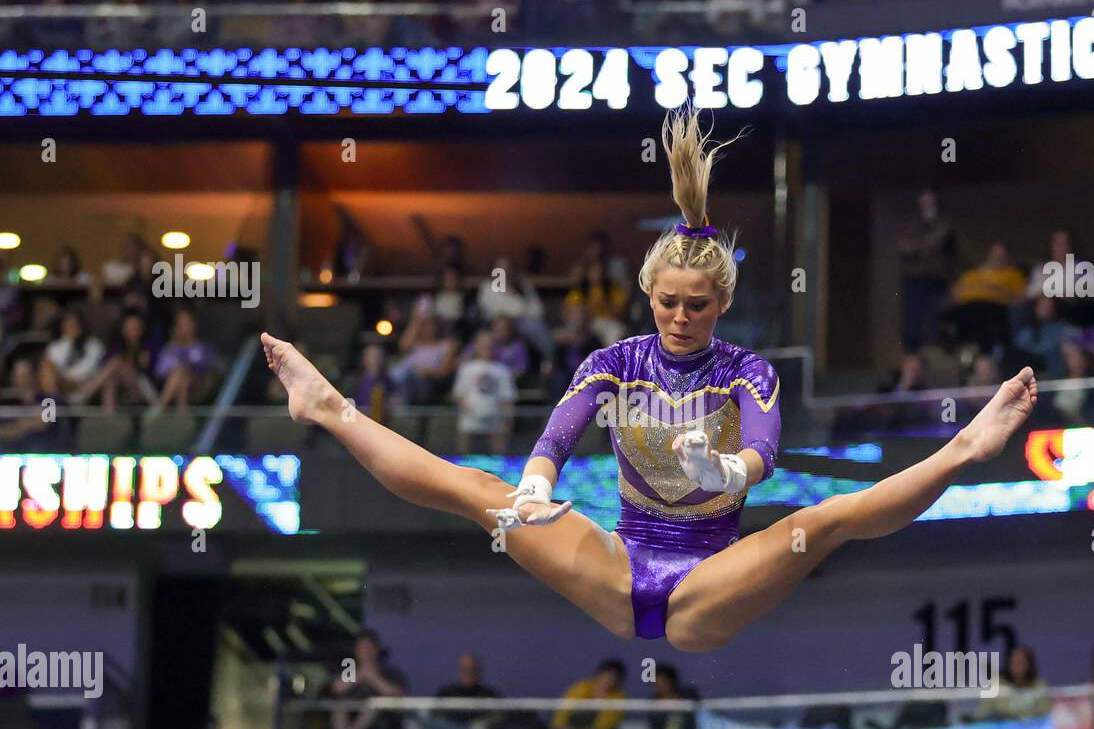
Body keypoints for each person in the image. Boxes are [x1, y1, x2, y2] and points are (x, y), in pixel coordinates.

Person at [259, 107, 1039, 652]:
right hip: (619, 565)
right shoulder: (613, 363)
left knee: (826, 518)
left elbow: (764, 447)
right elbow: (559, 433)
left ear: (722, 302)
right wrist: (535, 482)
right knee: (477, 490)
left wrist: (728, 470)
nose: (679, 316)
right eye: (666, 301)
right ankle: (329, 407)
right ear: (647, 293)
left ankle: (963, 450)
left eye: (697, 305)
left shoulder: (748, 372)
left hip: (708, 583)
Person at [326, 630, 409, 729]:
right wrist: (359, 676)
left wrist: (372, 678)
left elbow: (397, 693)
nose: (364, 652)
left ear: (375, 650)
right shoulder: (350, 670)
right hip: (349, 720)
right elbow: (337, 689)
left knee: (373, 705)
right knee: (339, 706)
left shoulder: (388, 671)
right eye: (360, 648)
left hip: (382, 725)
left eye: (368, 648)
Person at [896, 188, 956, 352]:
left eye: (931, 201)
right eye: (924, 200)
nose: (927, 205)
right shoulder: (910, 222)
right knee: (912, 320)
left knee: (937, 318)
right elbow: (904, 247)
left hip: (937, 278)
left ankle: (934, 351)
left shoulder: (943, 222)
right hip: (914, 278)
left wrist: (920, 246)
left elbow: (940, 239)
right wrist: (924, 246)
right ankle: (911, 355)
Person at [424, 653, 501, 729]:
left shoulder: (488, 693)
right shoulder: (447, 692)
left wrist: (484, 722)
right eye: (465, 669)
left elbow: (500, 714)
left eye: (472, 669)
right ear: (459, 670)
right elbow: (435, 715)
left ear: (478, 671)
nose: (468, 672)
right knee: (430, 723)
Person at [549, 659, 626, 729]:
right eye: (605, 676)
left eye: (612, 679)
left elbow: (602, 727)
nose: (607, 681)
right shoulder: (581, 688)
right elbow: (561, 715)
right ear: (598, 675)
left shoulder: (619, 697)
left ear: (617, 682)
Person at [452, 329, 517, 453]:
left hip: (494, 419)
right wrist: (473, 410)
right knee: (463, 451)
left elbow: (507, 398)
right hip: (469, 419)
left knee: (498, 453)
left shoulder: (502, 370)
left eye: (489, 343)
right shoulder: (466, 368)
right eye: (483, 343)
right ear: (476, 345)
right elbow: (458, 395)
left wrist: (508, 420)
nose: (486, 346)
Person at [153, 308, 218, 410]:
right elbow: (160, 372)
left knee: (182, 373)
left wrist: (187, 369)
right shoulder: (170, 348)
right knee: (180, 375)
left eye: (187, 323)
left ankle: (157, 409)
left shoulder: (203, 347)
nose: (184, 327)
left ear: (194, 324)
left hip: (198, 388)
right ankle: (181, 414)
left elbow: (209, 371)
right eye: (180, 324)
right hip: (174, 387)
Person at [39, 310, 105, 403]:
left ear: (81, 326)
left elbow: (86, 371)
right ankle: (56, 405)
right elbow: (51, 372)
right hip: (61, 387)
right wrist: (69, 341)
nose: (70, 328)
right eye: (67, 325)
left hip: (86, 387)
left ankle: (57, 405)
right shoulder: (55, 346)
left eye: (74, 325)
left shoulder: (94, 345)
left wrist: (65, 379)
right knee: (46, 366)